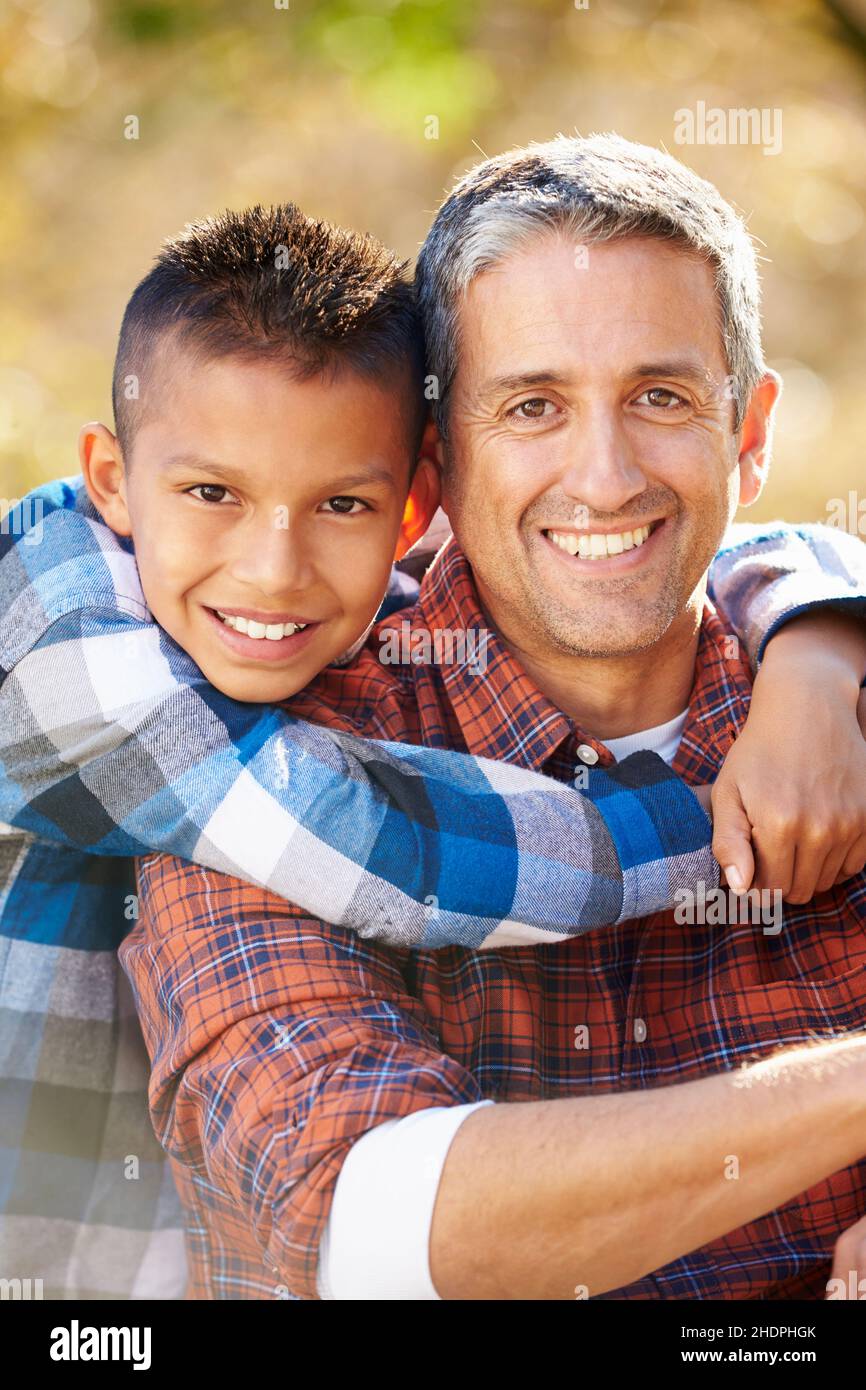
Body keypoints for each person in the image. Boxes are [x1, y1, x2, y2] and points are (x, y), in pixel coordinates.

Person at [118, 138, 866, 1299]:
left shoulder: (833, 704)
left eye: (659, 397)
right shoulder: (260, 772)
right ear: (439, 463)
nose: (606, 475)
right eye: (532, 406)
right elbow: (360, 1230)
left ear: (749, 434)